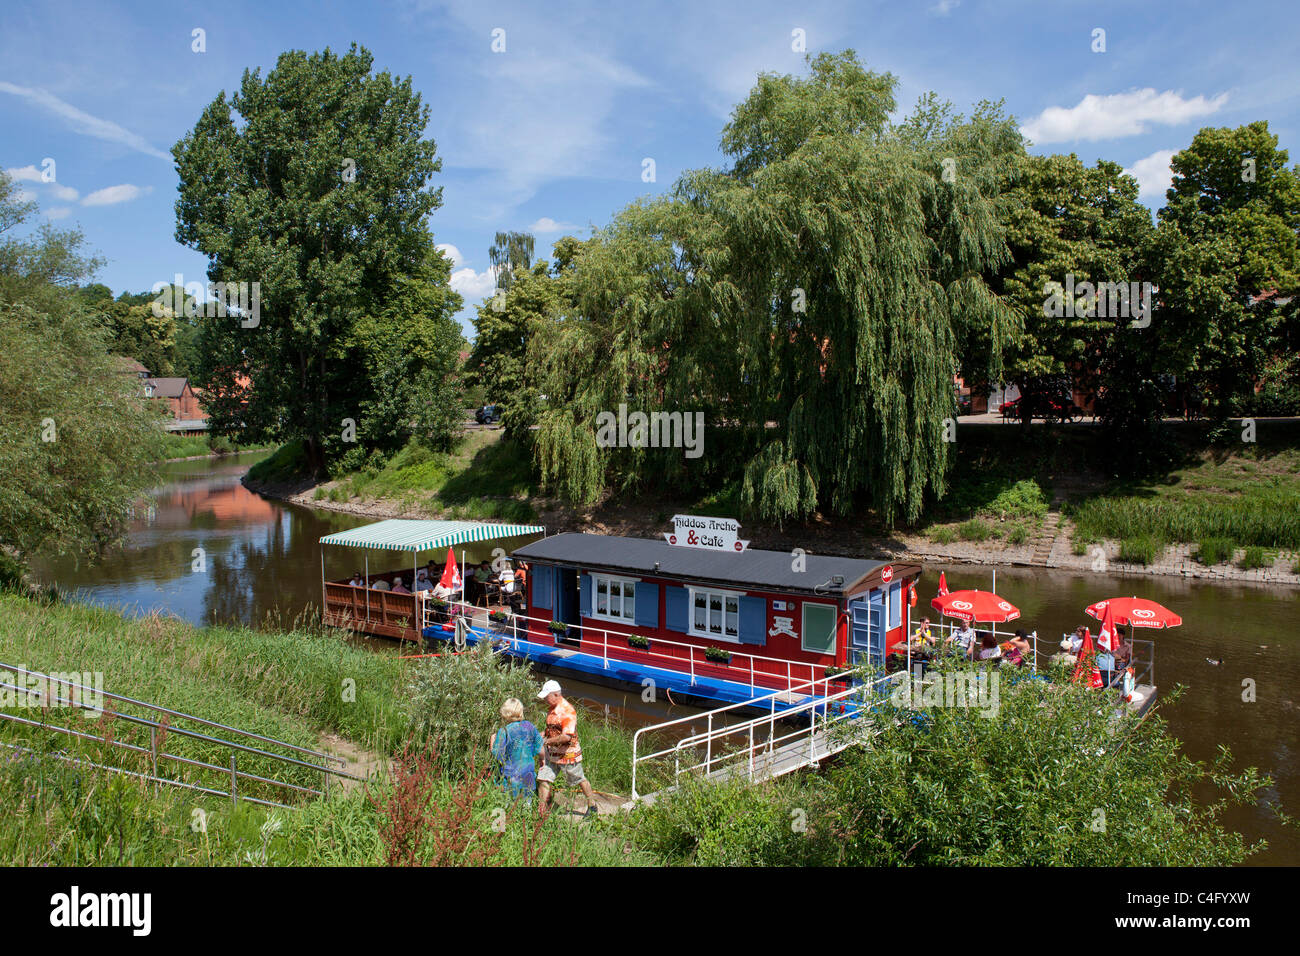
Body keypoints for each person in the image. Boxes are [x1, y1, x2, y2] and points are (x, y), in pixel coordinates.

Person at [536, 680, 598, 819]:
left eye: (547, 696)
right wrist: (540, 735)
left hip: (568, 754)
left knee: (578, 779)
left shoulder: (568, 712)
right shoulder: (551, 709)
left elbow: (566, 737)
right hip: (552, 754)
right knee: (543, 779)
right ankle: (541, 811)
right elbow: (551, 730)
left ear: (556, 694)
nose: (545, 699)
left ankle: (592, 805)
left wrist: (547, 741)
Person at [490, 697, 543, 802]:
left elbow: (498, 755)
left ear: (505, 712)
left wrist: (492, 740)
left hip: (511, 777)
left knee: (510, 808)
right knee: (527, 806)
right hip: (528, 774)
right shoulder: (529, 726)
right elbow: (539, 747)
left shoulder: (504, 731)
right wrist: (542, 761)